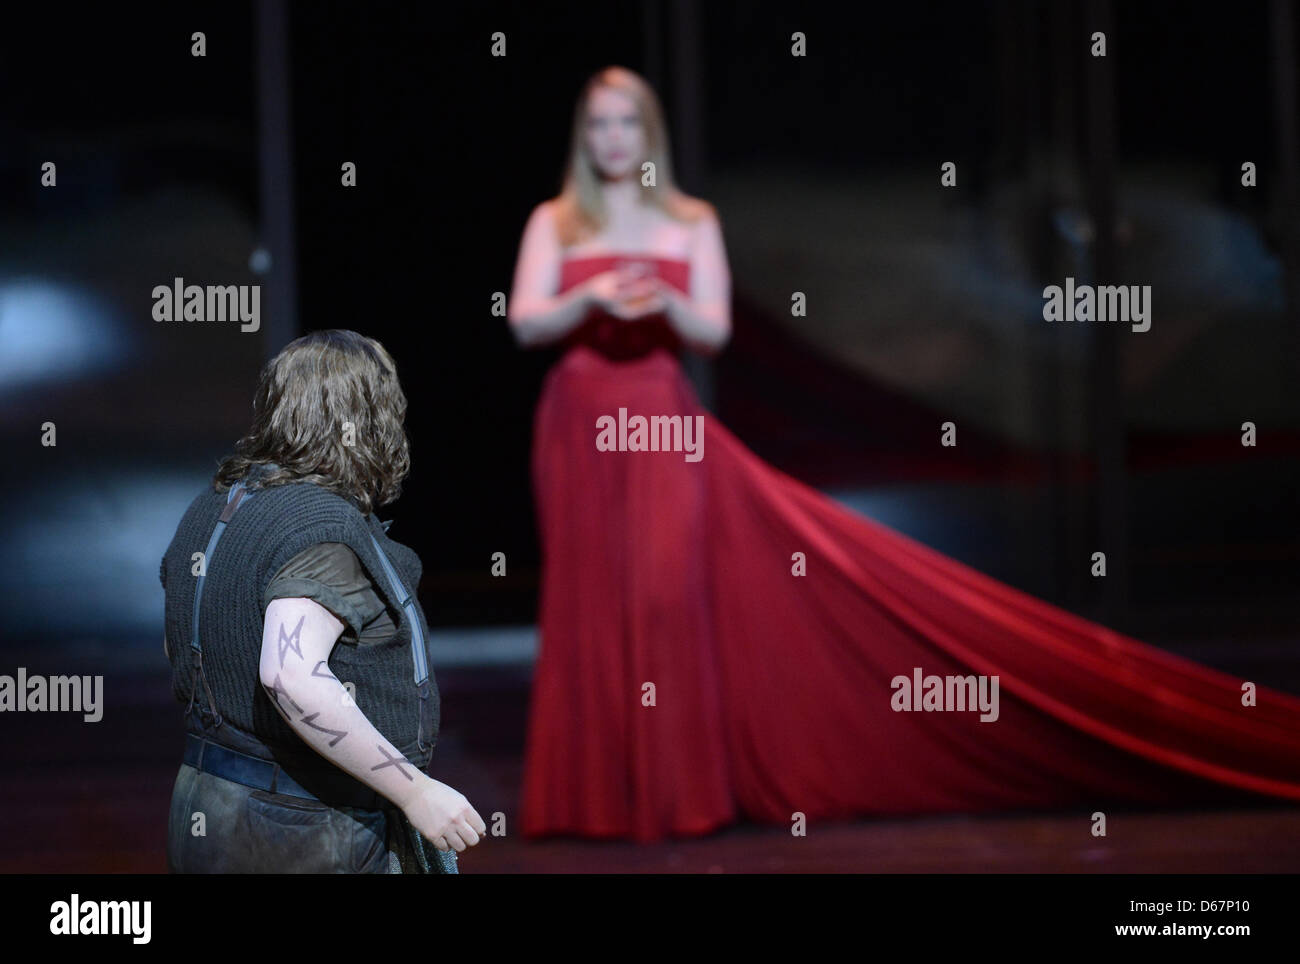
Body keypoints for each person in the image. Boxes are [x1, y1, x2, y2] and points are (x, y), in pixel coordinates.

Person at [507, 66, 1300, 843]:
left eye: (626, 123)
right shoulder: (556, 220)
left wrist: (662, 299)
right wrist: (590, 298)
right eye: (600, 124)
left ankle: (668, 797)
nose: (613, 139)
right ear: (587, 137)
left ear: (648, 135)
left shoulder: (690, 218)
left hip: (661, 415)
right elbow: (526, 322)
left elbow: (711, 331)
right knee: (587, 590)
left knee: (664, 598)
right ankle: (594, 798)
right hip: (580, 415)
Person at [160, 329, 485, 872]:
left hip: (205, 803)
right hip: (301, 825)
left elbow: (183, 649)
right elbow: (290, 676)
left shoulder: (213, 508)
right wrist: (416, 793)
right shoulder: (320, 526)